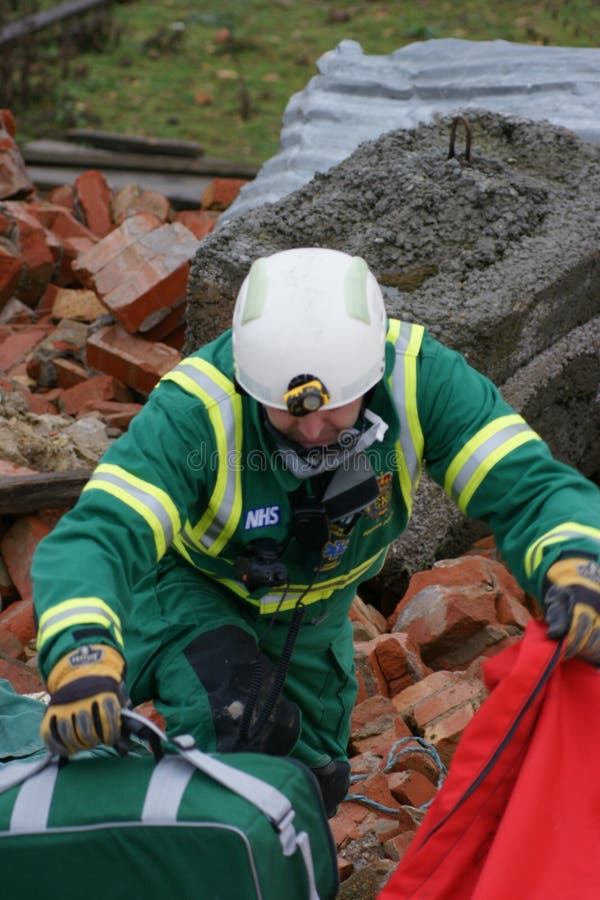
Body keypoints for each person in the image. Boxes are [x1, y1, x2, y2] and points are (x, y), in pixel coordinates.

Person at [31, 247, 600, 817]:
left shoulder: (422, 380)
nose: (311, 429)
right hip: (192, 585)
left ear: (371, 372)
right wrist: (81, 651)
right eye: (285, 411)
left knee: (312, 784)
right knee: (235, 722)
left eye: (334, 411)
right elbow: (99, 535)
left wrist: (576, 561)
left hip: (318, 606)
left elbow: (531, 489)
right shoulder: (196, 411)